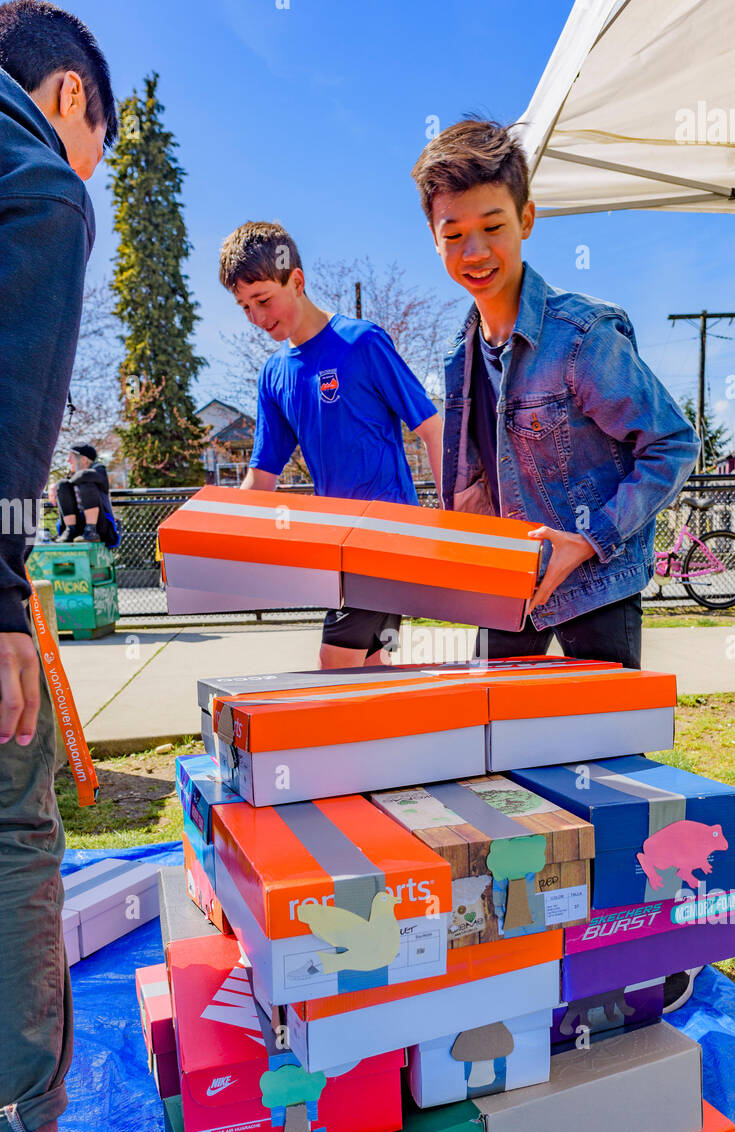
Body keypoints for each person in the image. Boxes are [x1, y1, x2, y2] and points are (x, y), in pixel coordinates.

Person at [410, 118, 701, 1011]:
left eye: (491, 225)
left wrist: (590, 535)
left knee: (609, 793)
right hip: (508, 607)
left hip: (591, 599)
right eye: (453, 233)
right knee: (512, 791)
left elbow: (671, 442)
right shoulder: (463, 355)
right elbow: (469, 487)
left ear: (527, 218)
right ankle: (540, 958)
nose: (474, 250)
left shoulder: (580, 337)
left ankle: (652, 959)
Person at [0, 0, 183, 1132]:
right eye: (98, 151)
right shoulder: (33, 178)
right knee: (14, 844)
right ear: (71, 99)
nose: (91, 185)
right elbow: (8, 410)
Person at [219, 221, 443, 668]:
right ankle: (400, 739)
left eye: (263, 300)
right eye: (244, 307)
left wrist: (446, 520)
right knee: (372, 668)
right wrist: (212, 533)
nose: (257, 318)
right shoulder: (274, 375)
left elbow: (433, 430)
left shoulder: (362, 343)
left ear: (296, 280)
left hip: (386, 535)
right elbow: (262, 475)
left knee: (335, 664)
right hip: (339, 542)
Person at [54, 442, 119, 545]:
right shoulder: (69, 478)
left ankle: (91, 530)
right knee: (62, 484)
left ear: (84, 459)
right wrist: (58, 486)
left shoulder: (99, 471)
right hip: (79, 528)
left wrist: (63, 484)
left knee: (85, 483)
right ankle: (70, 529)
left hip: (100, 528)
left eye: (71, 457)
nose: (67, 460)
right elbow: (64, 484)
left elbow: (84, 475)